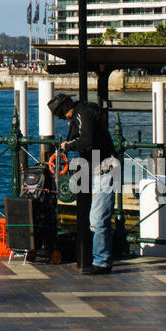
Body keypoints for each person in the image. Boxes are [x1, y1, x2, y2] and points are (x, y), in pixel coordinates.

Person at [48, 92, 117, 274]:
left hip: (104, 167)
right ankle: (103, 258)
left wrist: (68, 146)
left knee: (97, 219)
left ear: (64, 109)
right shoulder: (84, 112)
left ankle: (101, 261)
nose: (62, 119)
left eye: (60, 115)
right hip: (98, 167)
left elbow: (86, 141)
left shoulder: (82, 114)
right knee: (100, 218)